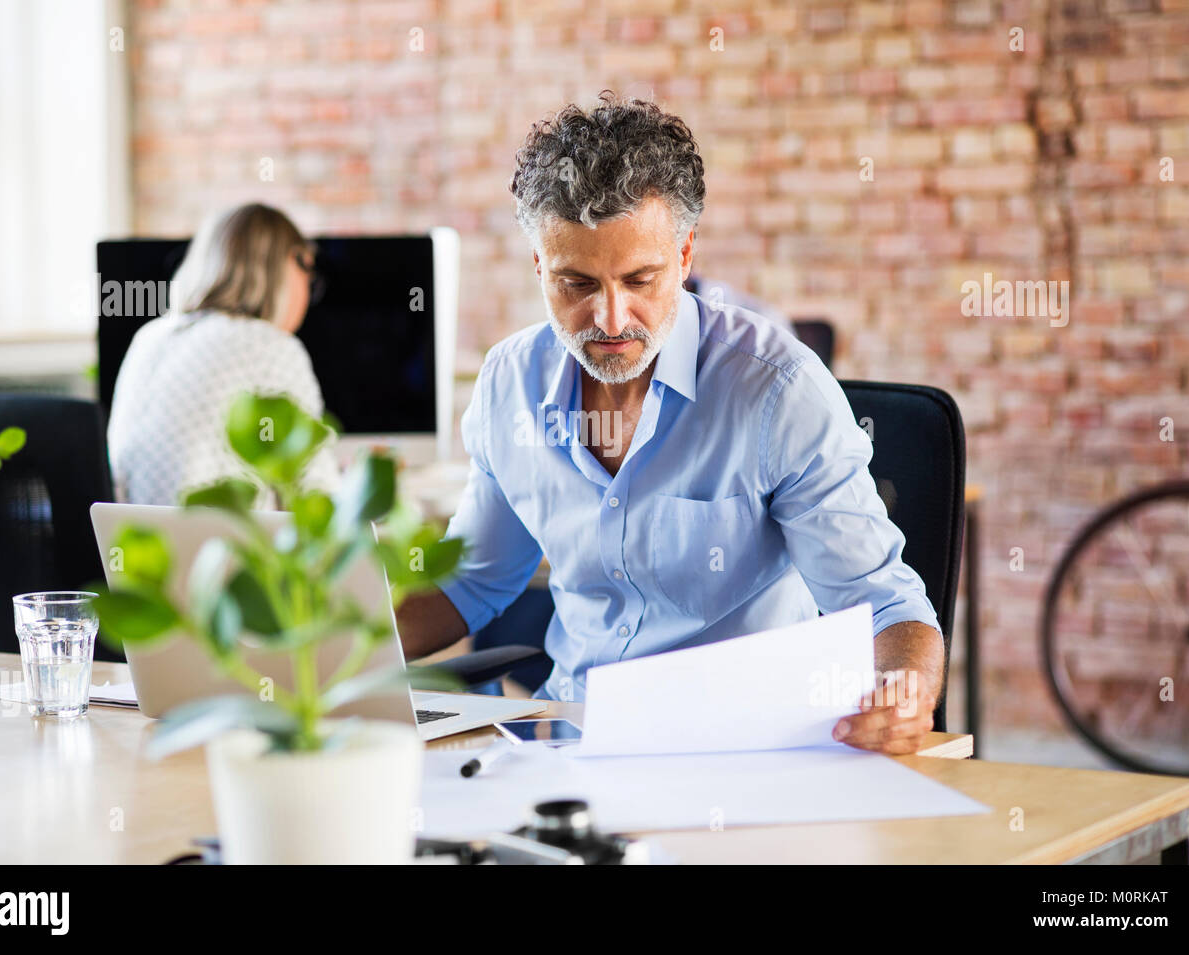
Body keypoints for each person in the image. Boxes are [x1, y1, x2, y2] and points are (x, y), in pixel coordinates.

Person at [397, 92, 944, 756]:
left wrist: (903, 692)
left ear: (684, 256)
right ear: (539, 265)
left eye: (639, 279)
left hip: (750, 756)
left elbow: (886, 604)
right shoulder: (508, 386)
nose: (611, 319)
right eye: (576, 284)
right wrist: (316, 659)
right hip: (579, 748)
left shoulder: (777, 391)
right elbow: (475, 581)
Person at [107, 203, 339, 507]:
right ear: (285, 265)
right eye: (307, 272)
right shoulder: (268, 346)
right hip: (219, 549)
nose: (308, 292)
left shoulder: (150, 337)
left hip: (137, 546)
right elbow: (316, 499)